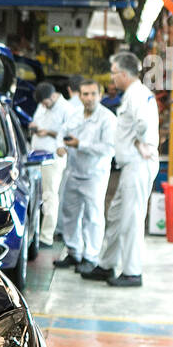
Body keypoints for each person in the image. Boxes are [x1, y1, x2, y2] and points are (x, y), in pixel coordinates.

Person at [81, 52, 159, 287]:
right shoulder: (133, 94)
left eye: (114, 73)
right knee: (116, 216)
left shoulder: (137, 95)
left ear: (124, 74)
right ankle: (106, 265)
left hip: (138, 163)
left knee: (132, 219)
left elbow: (143, 124)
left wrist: (139, 144)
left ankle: (132, 272)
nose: (112, 77)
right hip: (130, 165)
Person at [55, 77, 116, 270]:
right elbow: (61, 133)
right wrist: (60, 146)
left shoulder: (107, 119)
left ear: (101, 95)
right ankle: (74, 252)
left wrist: (80, 144)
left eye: (93, 94)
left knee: (93, 216)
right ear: (79, 96)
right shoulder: (74, 115)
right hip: (73, 172)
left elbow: (108, 149)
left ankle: (90, 257)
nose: (89, 98)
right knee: (69, 213)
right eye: (85, 94)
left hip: (94, 175)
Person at [28, 82, 78, 247]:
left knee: (50, 195)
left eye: (45, 102)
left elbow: (70, 135)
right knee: (34, 195)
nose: (43, 105)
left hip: (52, 158)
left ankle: (46, 236)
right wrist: (34, 127)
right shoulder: (42, 105)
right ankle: (33, 233)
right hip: (35, 156)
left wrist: (48, 132)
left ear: (53, 96)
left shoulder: (67, 109)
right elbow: (35, 120)